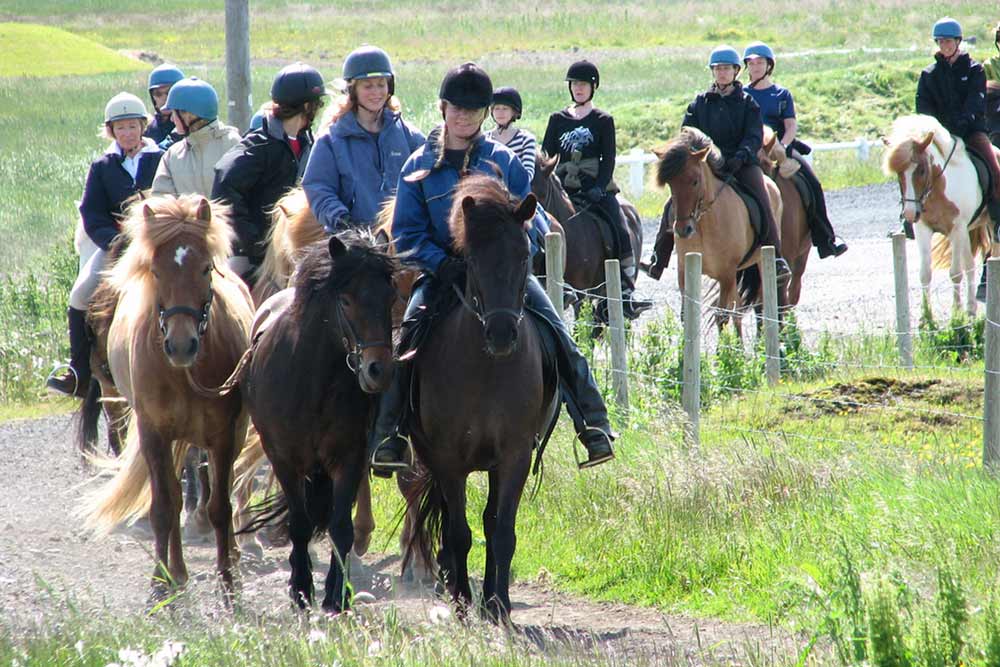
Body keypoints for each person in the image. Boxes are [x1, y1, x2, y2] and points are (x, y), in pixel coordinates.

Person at [367, 62, 615, 475]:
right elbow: (407, 233)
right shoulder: (417, 168)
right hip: (443, 274)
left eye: (473, 110)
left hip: (500, 277)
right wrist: (440, 263)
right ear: (442, 108)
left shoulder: (504, 161)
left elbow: (531, 217)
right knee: (408, 334)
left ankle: (592, 422)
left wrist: (518, 248)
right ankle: (389, 434)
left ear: (485, 113)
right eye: (456, 109)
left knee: (556, 329)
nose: (463, 117)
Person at [46, 93, 163, 397]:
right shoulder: (102, 166)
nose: (127, 133)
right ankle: (79, 372)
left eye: (132, 127)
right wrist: (113, 241)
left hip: (155, 245)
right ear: (111, 131)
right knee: (80, 295)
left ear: (143, 126)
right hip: (115, 245)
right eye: (120, 128)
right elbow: (91, 212)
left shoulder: (161, 158)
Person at [542, 60, 651, 319]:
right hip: (563, 185)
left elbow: (609, 158)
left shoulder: (603, 119)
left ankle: (626, 289)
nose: (578, 89)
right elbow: (547, 154)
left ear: (593, 87)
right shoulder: (557, 119)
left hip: (594, 186)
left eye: (583, 85)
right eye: (575, 85)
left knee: (619, 223)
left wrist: (600, 187)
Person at [682, 45, 792, 282]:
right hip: (707, 165)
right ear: (713, 72)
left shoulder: (747, 102)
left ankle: (776, 257)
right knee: (676, 200)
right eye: (717, 69)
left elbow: (754, 136)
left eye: (726, 69)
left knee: (764, 198)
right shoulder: (699, 103)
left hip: (740, 164)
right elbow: (687, 133)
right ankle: (659, 257)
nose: (722, 73)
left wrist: (741, 156)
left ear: (736, 71)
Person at [213, 62, 327, 281]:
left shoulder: (308, 145)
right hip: (254, 257)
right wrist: (255, 243)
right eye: (317, 103)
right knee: (230, 291)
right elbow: (224, 182)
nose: (319, 108)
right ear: (307, 106)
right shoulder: (258, 146)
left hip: (295, 248)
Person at [302, 45, 425, 232]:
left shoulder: (409, 136)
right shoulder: (331, 141)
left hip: (402, 238)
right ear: (353, 90)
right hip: (352, 240)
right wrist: (342, 220)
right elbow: (317, 187)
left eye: (381, 84)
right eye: (368, 86)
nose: (376, 92)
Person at [743, 42, 847, 259]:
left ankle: (826, 238)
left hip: (779, 148)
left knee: (812, 182)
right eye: (751, 63)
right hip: (750, 150)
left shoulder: (781, 94)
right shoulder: (741, 94)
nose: (755, 67)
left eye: (760, 63)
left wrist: (783, 145)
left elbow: (790, 125)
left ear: (769, 66)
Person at [916, 18, 1000, 233]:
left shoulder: (974, 70)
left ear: (958, 41)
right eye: (940, 42)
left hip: (972, 133)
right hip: (940, 135)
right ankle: (911, 215)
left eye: (948, 41)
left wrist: (960, 125)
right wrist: (938, 131)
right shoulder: (928, 75)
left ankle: (997, 218)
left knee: (995, 169)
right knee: (913, 166)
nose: (945, 46)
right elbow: (923, 108)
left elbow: (975, 103)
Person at [151, 77, 242, 197]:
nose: (172, 119)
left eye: (174, 113)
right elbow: (161, 199)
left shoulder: (233, 144)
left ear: (188, 114)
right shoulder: (172, 155)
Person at [486, 86, 537, 179]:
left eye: (505, 108)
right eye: (497, 108)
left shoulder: (525, 139)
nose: (500, 113)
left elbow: (528, 173)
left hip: (516, 189)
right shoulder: (485, 139)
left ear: (514, 112)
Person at [145, 63, 185, 149]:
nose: (164, 98)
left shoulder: (190, 127)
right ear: (153, 97)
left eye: (170, 92)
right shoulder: (146, 130)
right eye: (158, 93)